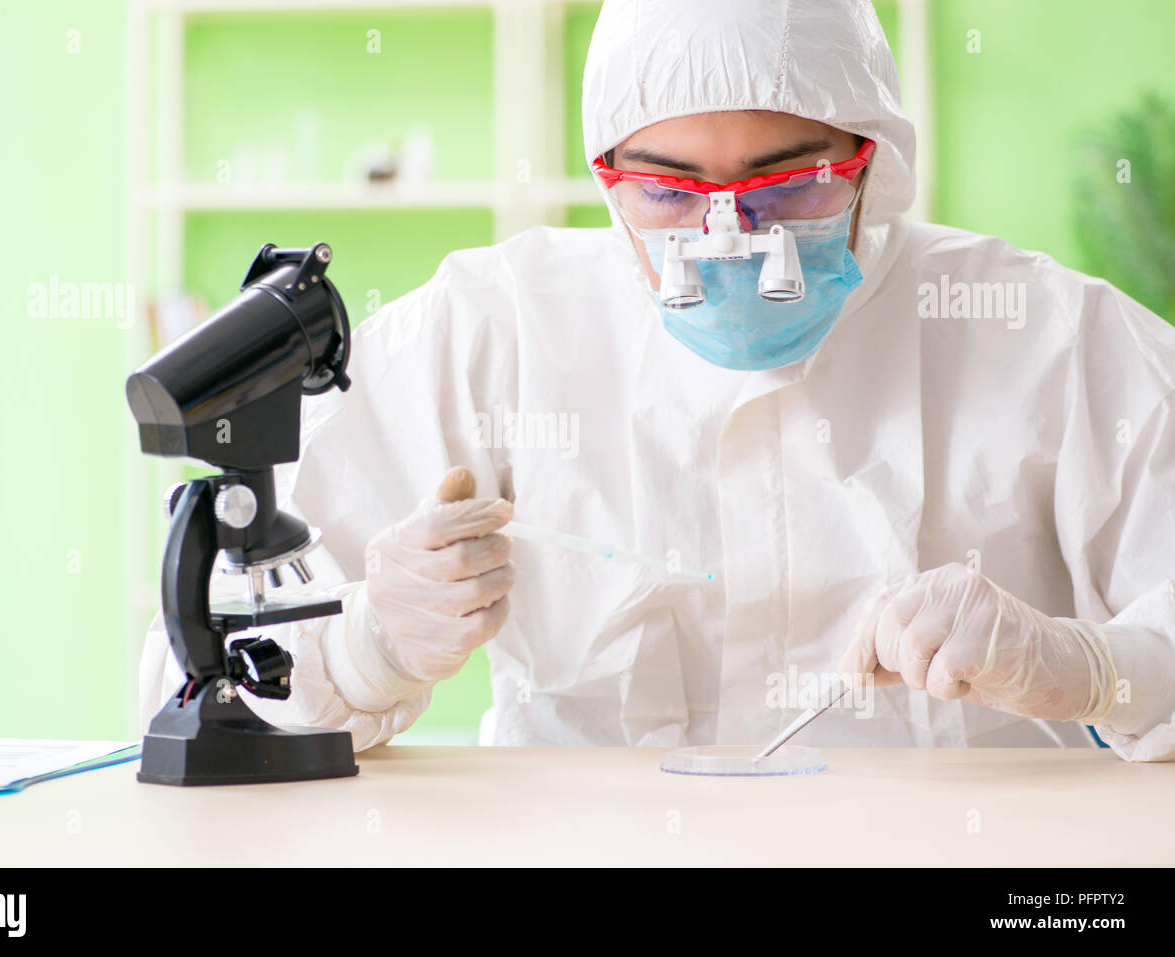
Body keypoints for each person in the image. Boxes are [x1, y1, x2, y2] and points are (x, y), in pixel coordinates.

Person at [140, 0, 1175, 760]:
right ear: (604, 180)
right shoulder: (492, 331)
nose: (731, 239)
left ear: (869, 162)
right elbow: (180, 686)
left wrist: (1086, 666)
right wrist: (367, 646)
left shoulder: (1046, 335)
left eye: (789, 181)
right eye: (669, 191)